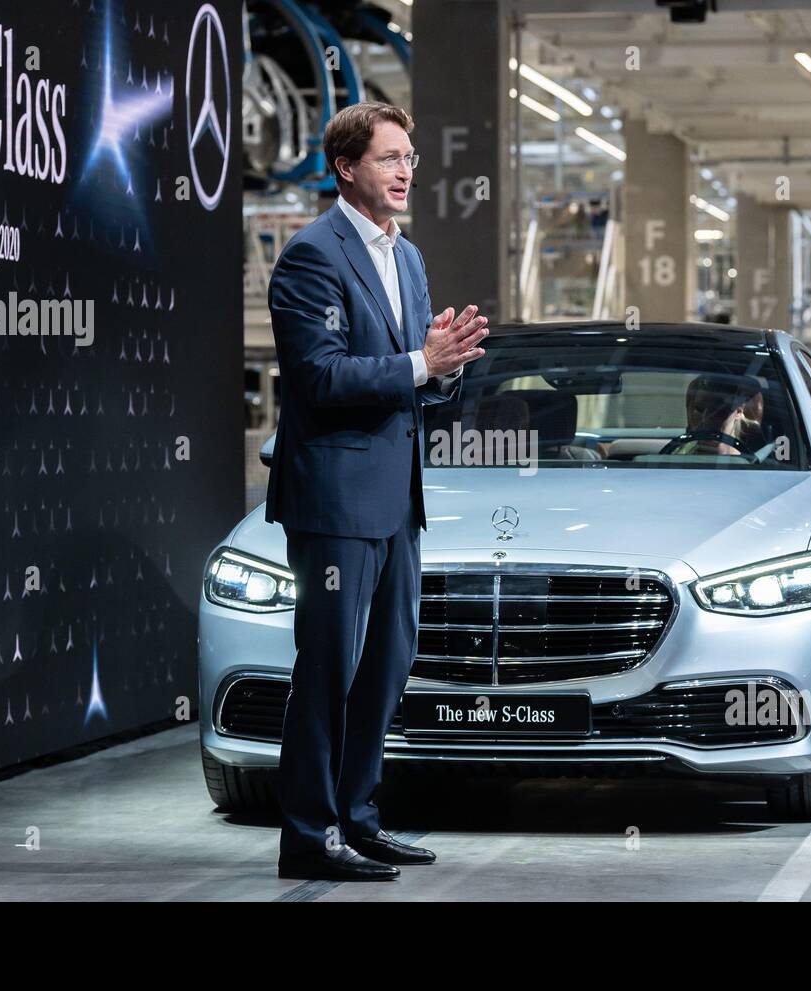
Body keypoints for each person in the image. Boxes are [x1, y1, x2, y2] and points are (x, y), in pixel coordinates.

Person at [265, 102, 489, 882]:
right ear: (346, 168)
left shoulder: (411, 258)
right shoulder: (310, 256)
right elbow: (319, 377)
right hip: (334, 499)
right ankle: (306, 835)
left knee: (387, 665)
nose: (403, 172)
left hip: (397, 498)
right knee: (327, 669)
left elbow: (415, 382)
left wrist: (447, 369)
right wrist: (422, 364)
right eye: (389, 158)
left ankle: (359, 820)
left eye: (410, 158)